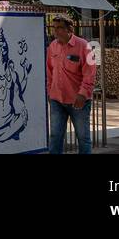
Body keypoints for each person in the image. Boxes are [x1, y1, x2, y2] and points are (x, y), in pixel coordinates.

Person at [46, 14, 97, 154]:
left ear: (70, 29)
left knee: (83, 137)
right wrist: (50, 92)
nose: (56, 31)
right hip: (57, 100)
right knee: (55, 137)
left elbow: (90, 73)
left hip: (78, 101)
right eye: (54, 28)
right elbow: (49, 71)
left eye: (60, 28)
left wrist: (83, 94)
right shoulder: (52, 47)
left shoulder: (84, 46)